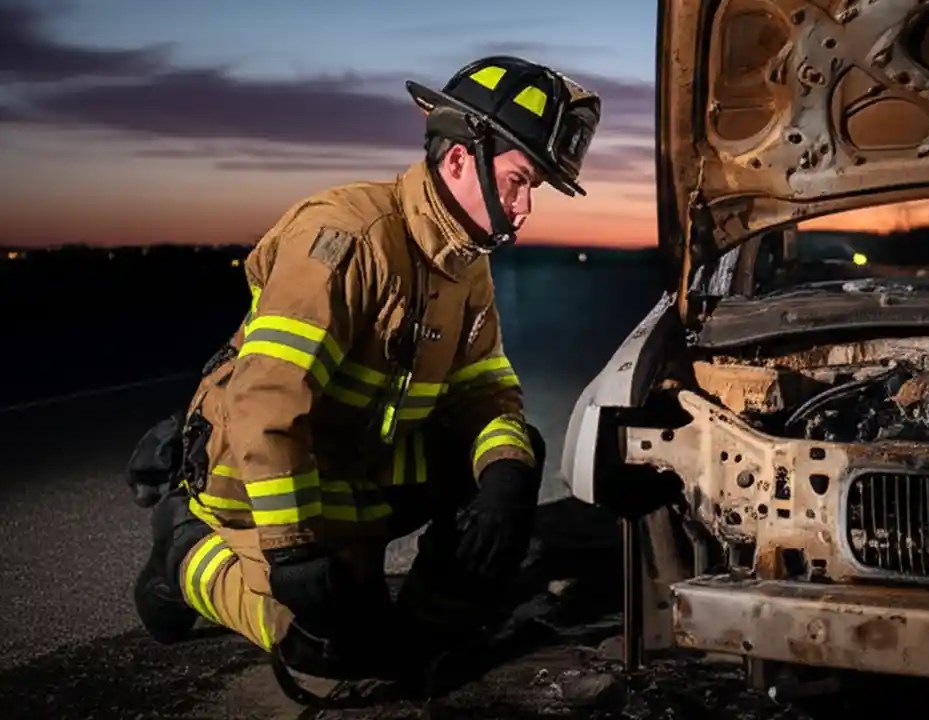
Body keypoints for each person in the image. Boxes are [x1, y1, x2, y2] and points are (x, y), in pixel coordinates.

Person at [125, 55, 600, 696]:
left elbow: (485, 390)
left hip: (358, 471)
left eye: (532, 189)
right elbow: (266, 403)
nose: (523, 209)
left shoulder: (466, 264)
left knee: (511, 460)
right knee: (329, 658)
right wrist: (293, 549)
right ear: (460, 160)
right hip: (267, 479)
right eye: (518, 182)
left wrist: (505, 480)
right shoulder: (345, 236)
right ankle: (181, 555)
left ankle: (419, 633)